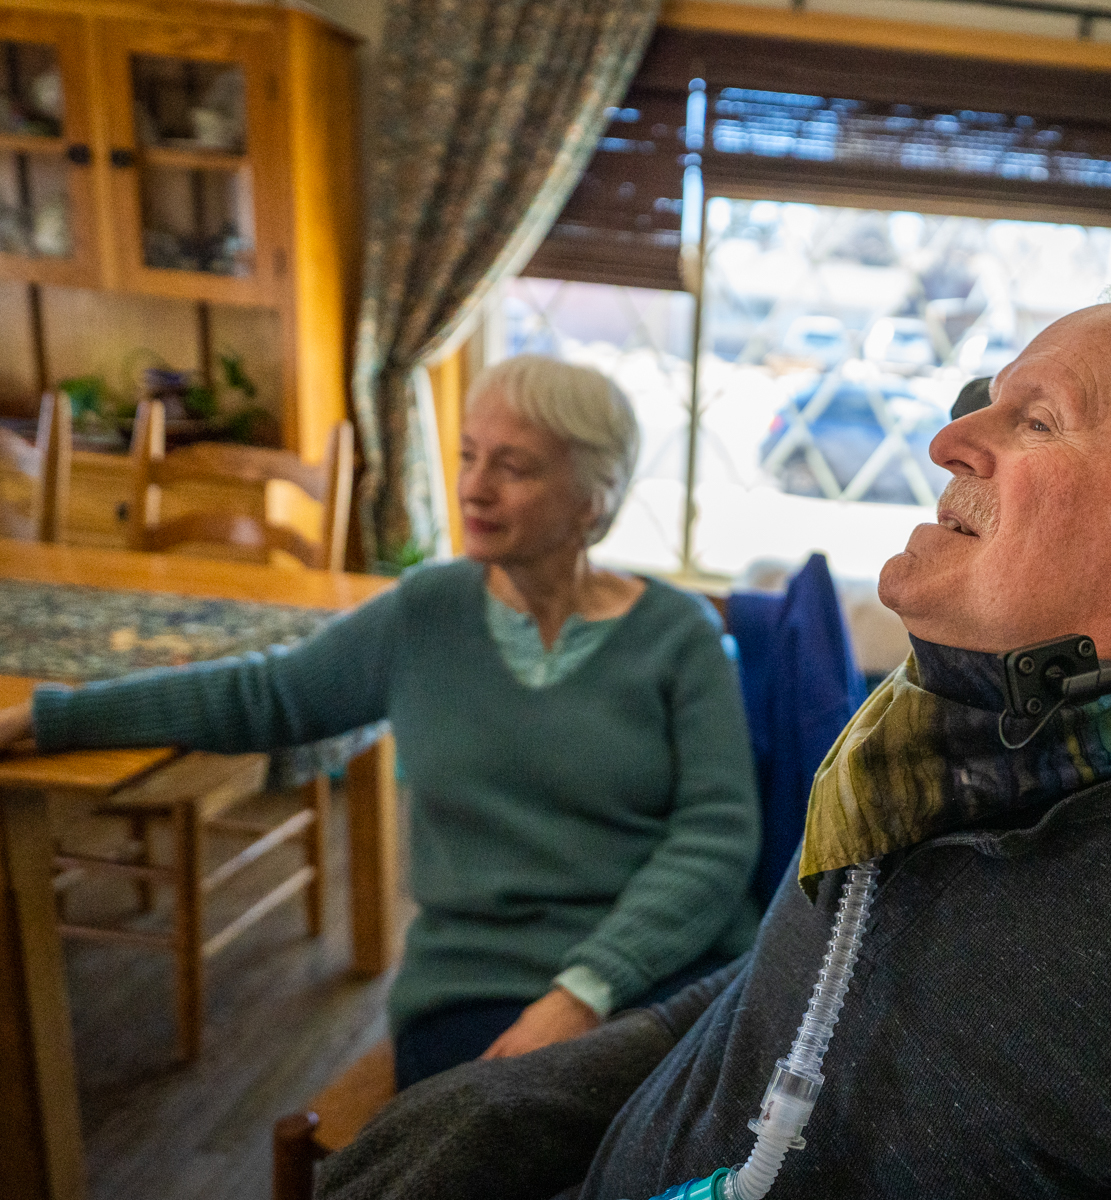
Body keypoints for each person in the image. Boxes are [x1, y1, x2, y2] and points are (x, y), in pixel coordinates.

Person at [319, 275, 1111, 1200]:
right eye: (982, 402)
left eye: (1036, 419)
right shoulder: (909, 762)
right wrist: (519, 1100)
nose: (949, 439)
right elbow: (777, 1006)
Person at [0, 355, 762, 1089]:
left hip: (665, 966)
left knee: (691, 1148)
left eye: (515, 467)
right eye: (468, 456)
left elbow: (718, 832)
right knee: (508, 1142)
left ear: (593, 497)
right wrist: (52, 714)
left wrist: (585, 992)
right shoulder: (425, 613)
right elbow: (262, 697)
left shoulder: (679, 635)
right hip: (479, 980)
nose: (475, 487)